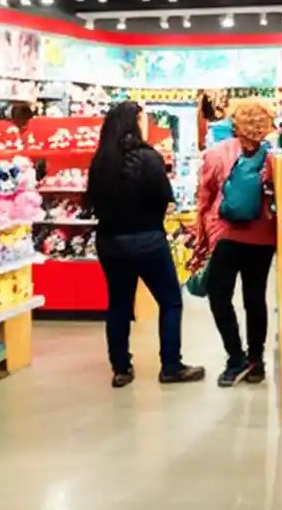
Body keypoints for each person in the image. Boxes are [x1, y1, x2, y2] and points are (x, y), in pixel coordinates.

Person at [84, 101, 204, 388]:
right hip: (147, 238)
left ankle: (121, 368)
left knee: (119, 304)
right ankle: (171, 366)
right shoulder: (147, 158)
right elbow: (163, 196)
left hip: (110, 241)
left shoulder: (101, 160)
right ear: (135, 123)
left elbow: (90, 202)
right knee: (171, 301)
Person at [195, 99, 278, 387]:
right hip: (263, 237)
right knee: (255, 298)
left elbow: (205, 199)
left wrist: (201, 236)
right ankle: (256, 362)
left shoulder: (216, 154)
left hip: (227, 235)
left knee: (219, 295)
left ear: (234, 122)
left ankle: (235, 358)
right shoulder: (273, 159)